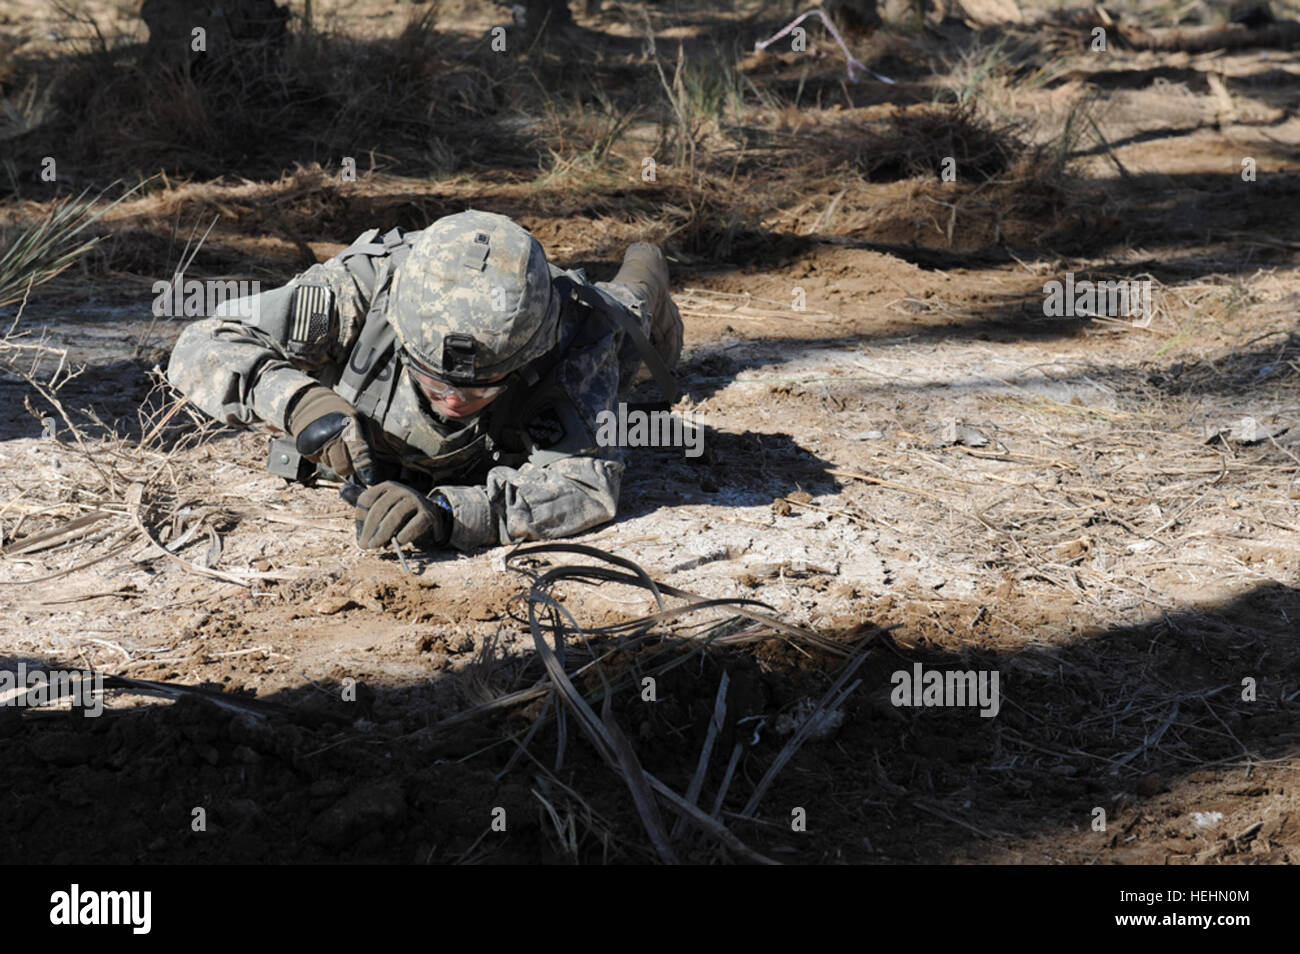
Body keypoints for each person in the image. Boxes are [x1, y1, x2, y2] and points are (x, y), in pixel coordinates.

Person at [166, 209, 683, 552]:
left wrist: (449, 513)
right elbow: (203, 342)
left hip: (607, 314)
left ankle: (647, 267)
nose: (456, 400)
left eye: (482, 388)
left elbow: (586, 486)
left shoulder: (576, 338)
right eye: (435, 384)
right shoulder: (364, 290)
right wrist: (299, 402)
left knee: (630, 308)